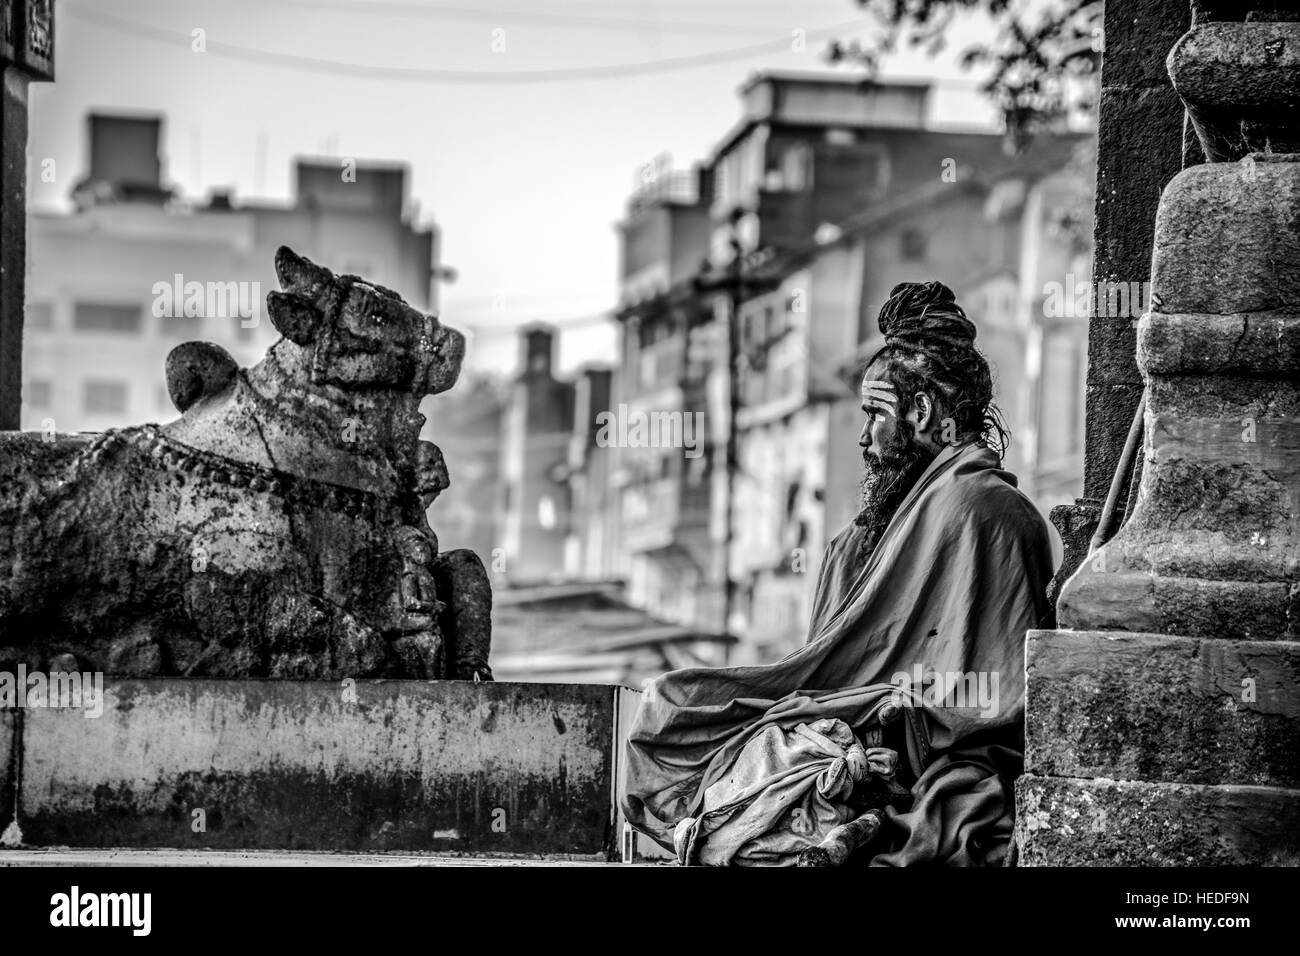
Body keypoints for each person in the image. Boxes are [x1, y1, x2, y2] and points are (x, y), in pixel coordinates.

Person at [621, 281, 1057, 866]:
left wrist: (878, 714)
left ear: (921, 413)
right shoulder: (868, 533)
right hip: (839, 725)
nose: (863, 437)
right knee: (674, 701)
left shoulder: (986, 511)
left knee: (689, 725)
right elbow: (825, 671)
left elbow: (989, 707)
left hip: (916, 747)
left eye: (875, 414)